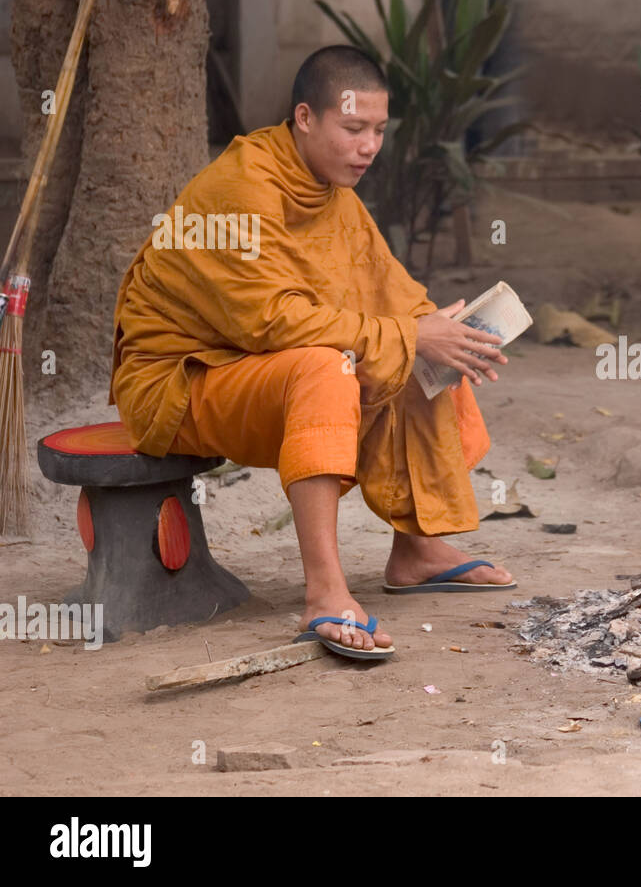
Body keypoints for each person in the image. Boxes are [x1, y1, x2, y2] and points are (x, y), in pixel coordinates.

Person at [109, 46, 514, 660]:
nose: (369, 146)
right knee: (335, 361)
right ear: (304, 117)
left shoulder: (332, 193)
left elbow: (391, 293)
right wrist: (408, 335)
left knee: (417, 345)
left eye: (378, 130)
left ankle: (417, 549)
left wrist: (439, 328)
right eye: (353, 128)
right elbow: (269, 321)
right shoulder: (240, 187)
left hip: (251, 368)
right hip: (179, 381)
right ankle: (325, 592)